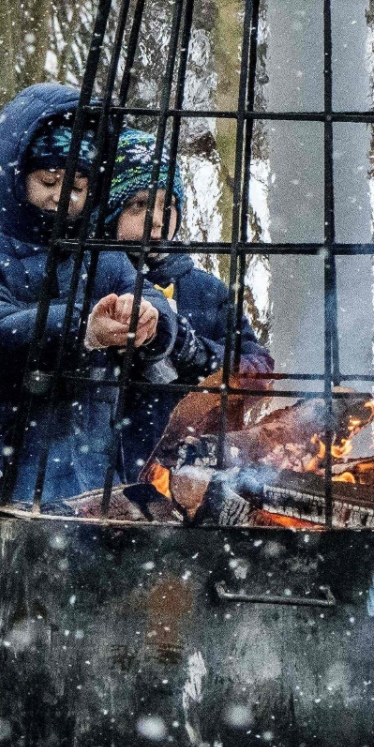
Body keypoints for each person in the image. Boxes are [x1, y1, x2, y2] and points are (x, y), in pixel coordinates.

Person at [0, 87, 183, 718]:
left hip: (86, 475)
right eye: (48, 181)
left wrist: (148, 324)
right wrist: (80, 330)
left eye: (76, 187)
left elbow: (156, 319)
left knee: (83, 623)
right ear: (12, 176)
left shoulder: (102, 262)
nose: (61, 199)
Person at [104, 127, 273, 483]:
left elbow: (259, 372)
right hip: (103, 477)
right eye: (139, 205)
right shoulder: (92, 283)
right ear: (108, 211)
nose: (157, 219)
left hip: (189, 479)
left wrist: (199, 355)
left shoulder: (206, 291)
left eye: (169, 205)